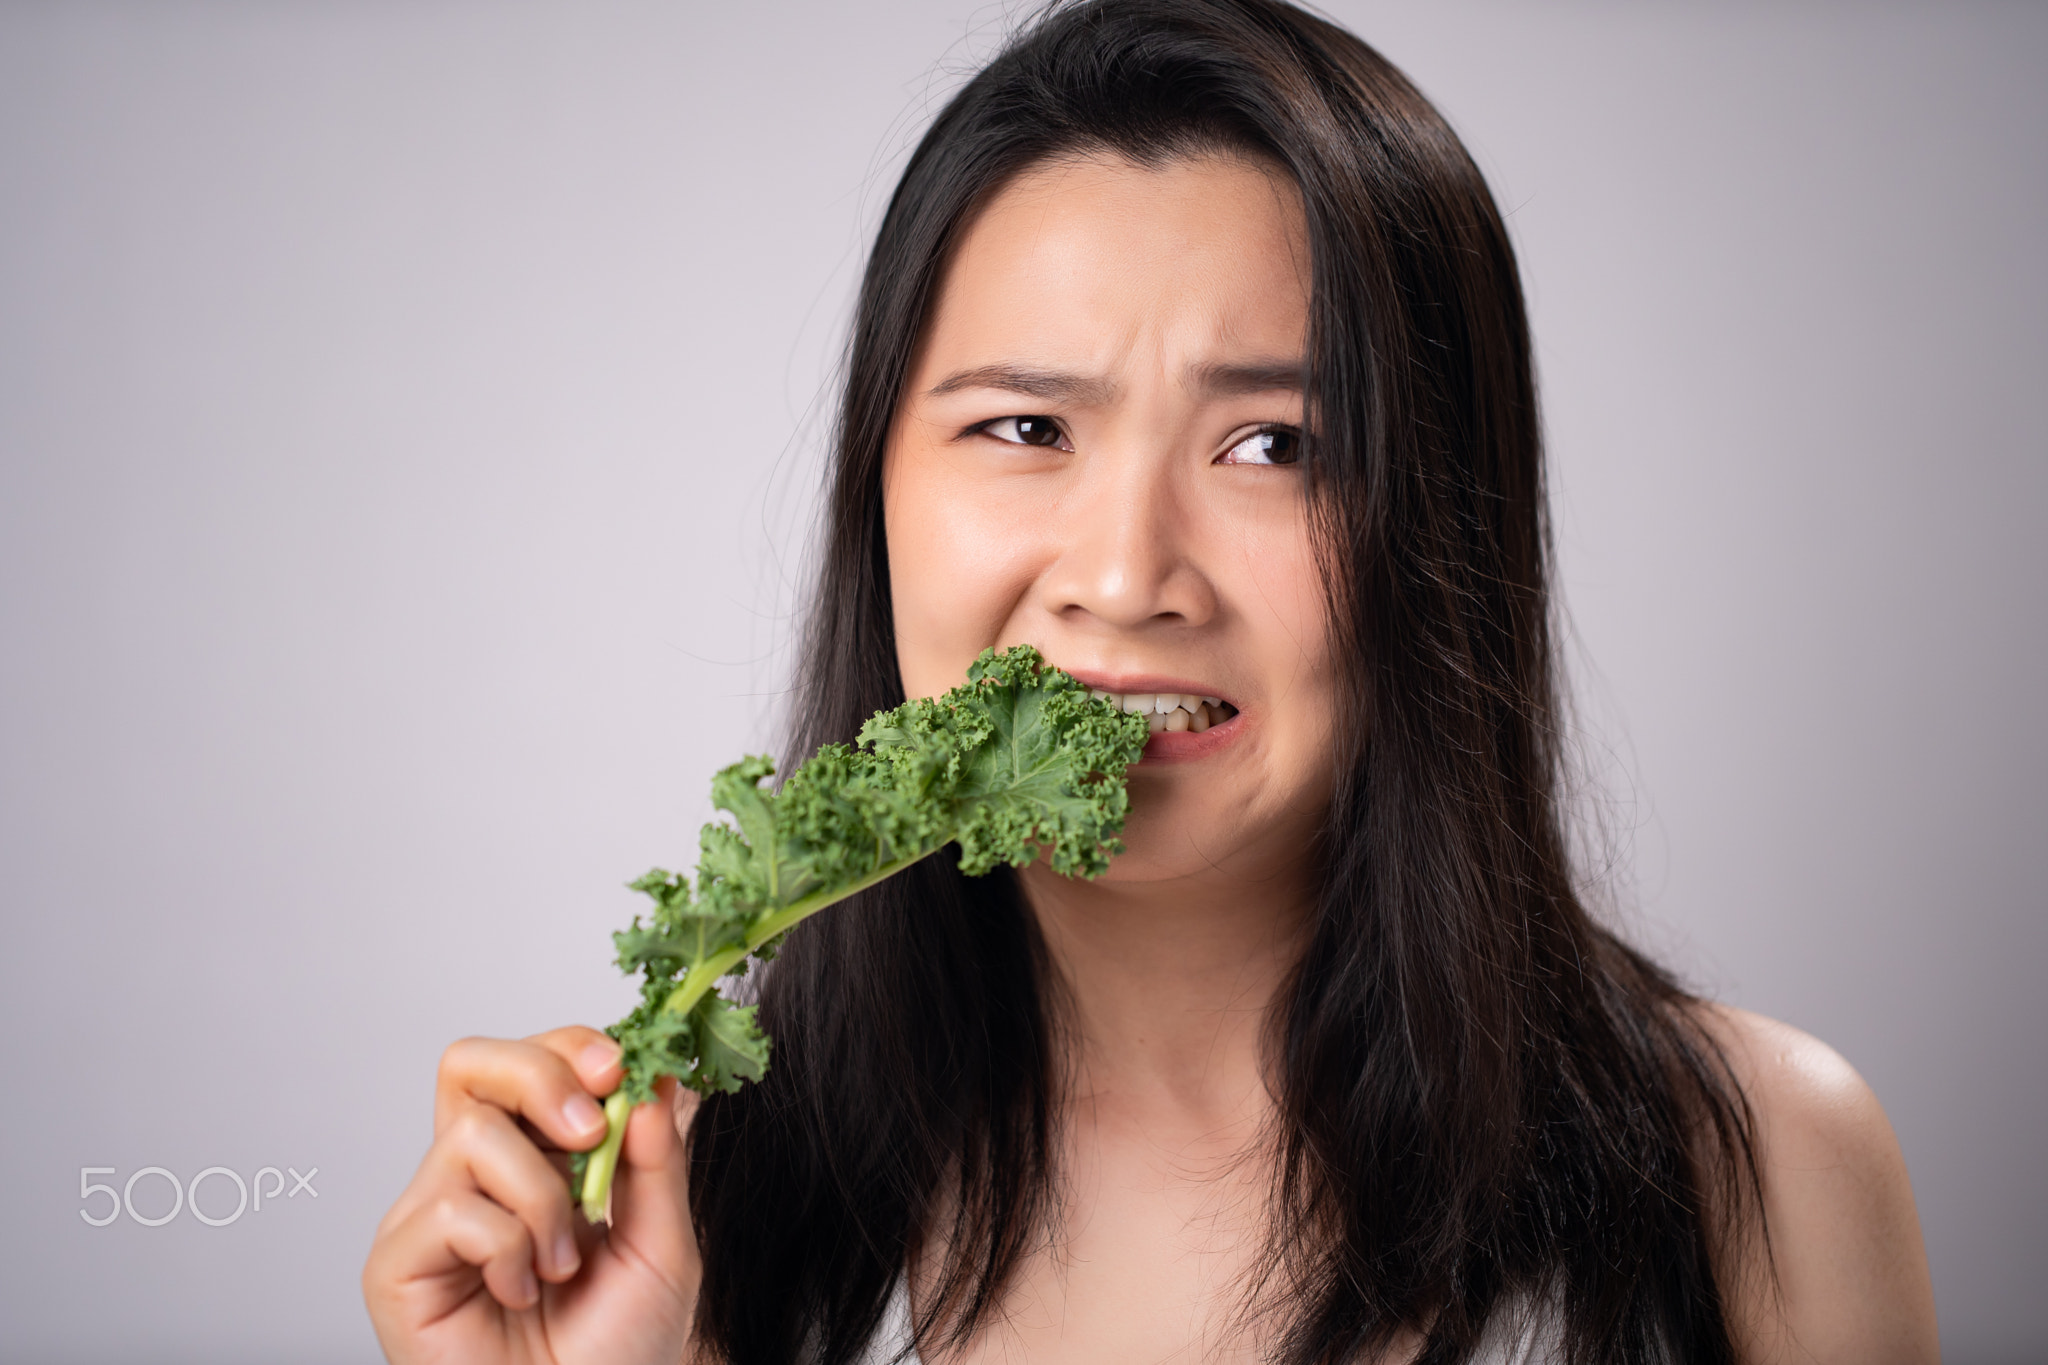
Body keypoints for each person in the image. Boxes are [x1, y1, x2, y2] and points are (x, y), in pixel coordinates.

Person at [361, 2, 1939, 1361]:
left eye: (1274, 447)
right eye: (1026, 429)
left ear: (1446, 525)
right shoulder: (695, 1225)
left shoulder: (1756, 1168)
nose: (1123, 574)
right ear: (878, 498)